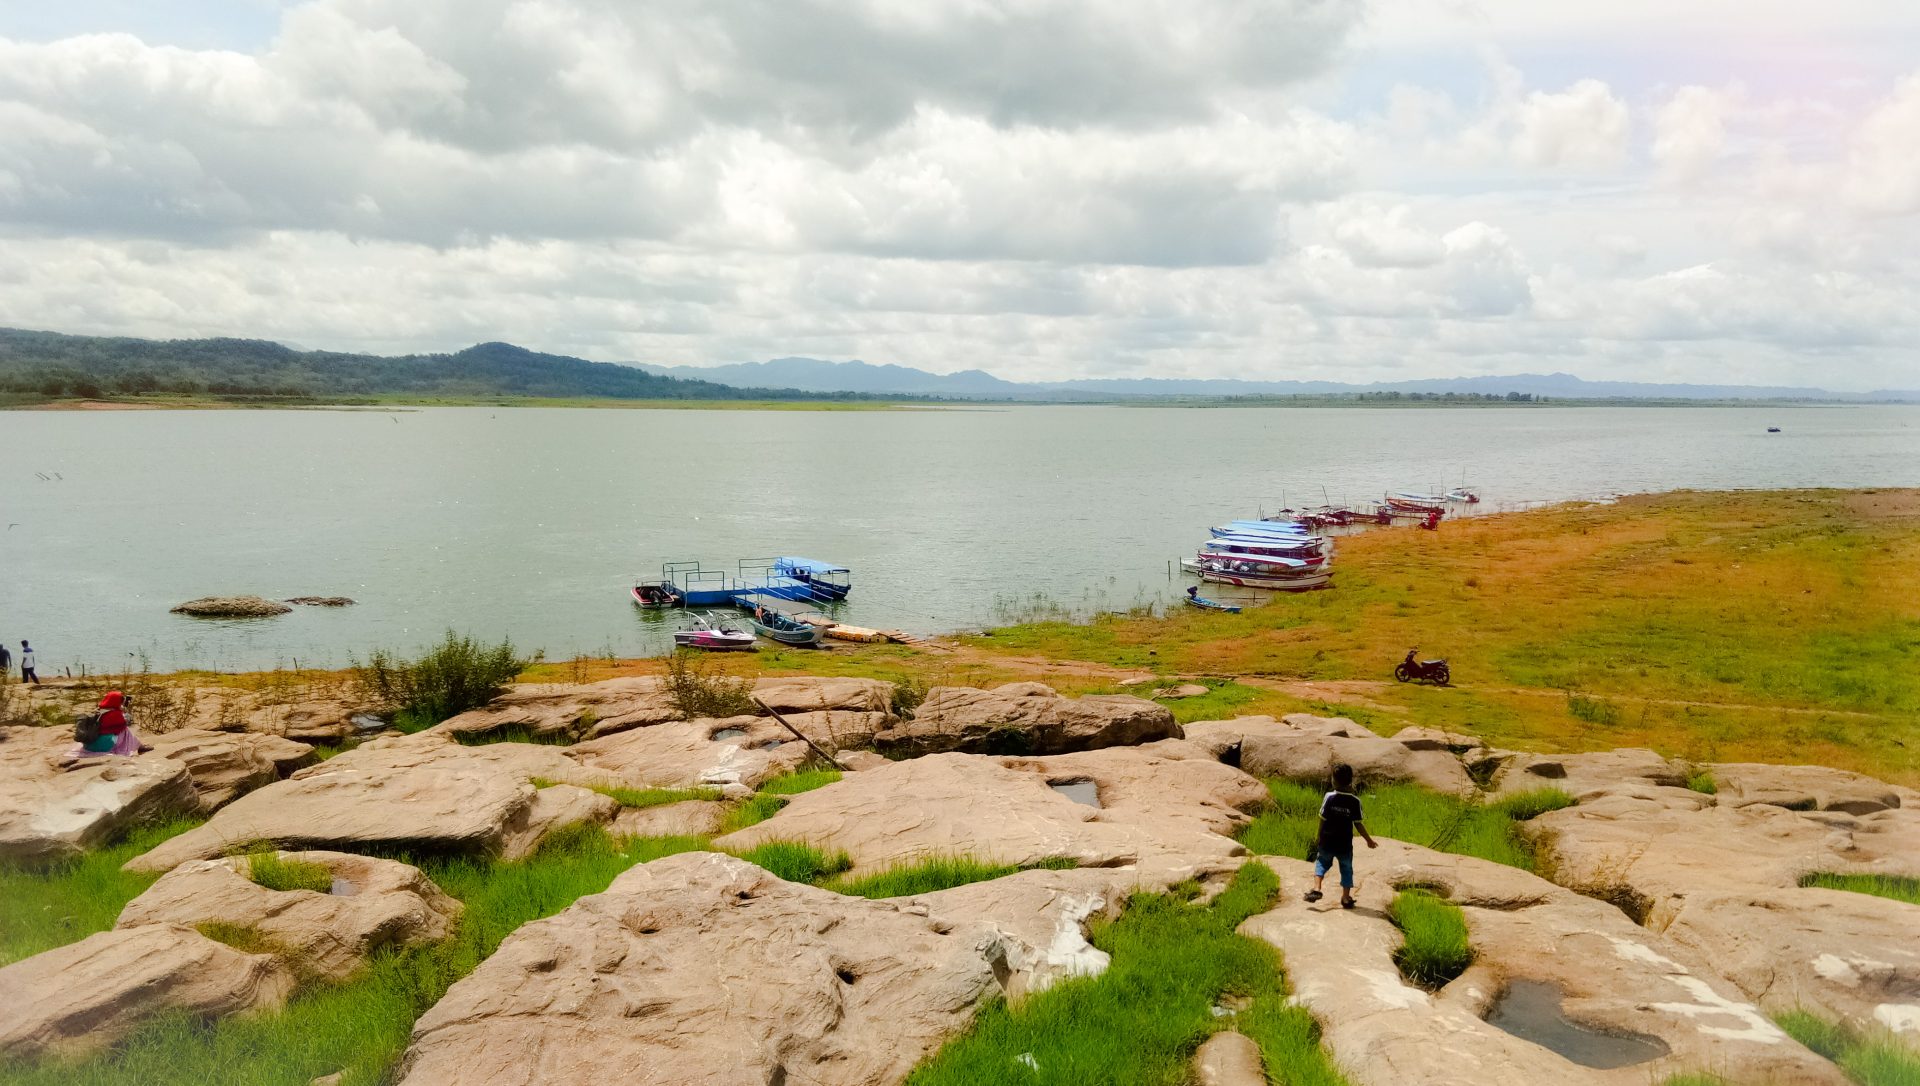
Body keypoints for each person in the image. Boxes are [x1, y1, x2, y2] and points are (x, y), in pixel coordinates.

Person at [1303, 763, 1377, 910]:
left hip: (1327, 841)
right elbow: (1358, 824)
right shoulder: (1355, 801)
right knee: (1346, 868)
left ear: (1333, 781)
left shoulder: (1329, 797)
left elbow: (1322, 819)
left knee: (1321, 863)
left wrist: (1318, 837)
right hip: (1344, 844)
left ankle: (1317, 889)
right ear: (1350, 781)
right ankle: (1345, 897)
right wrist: (1369, 840)